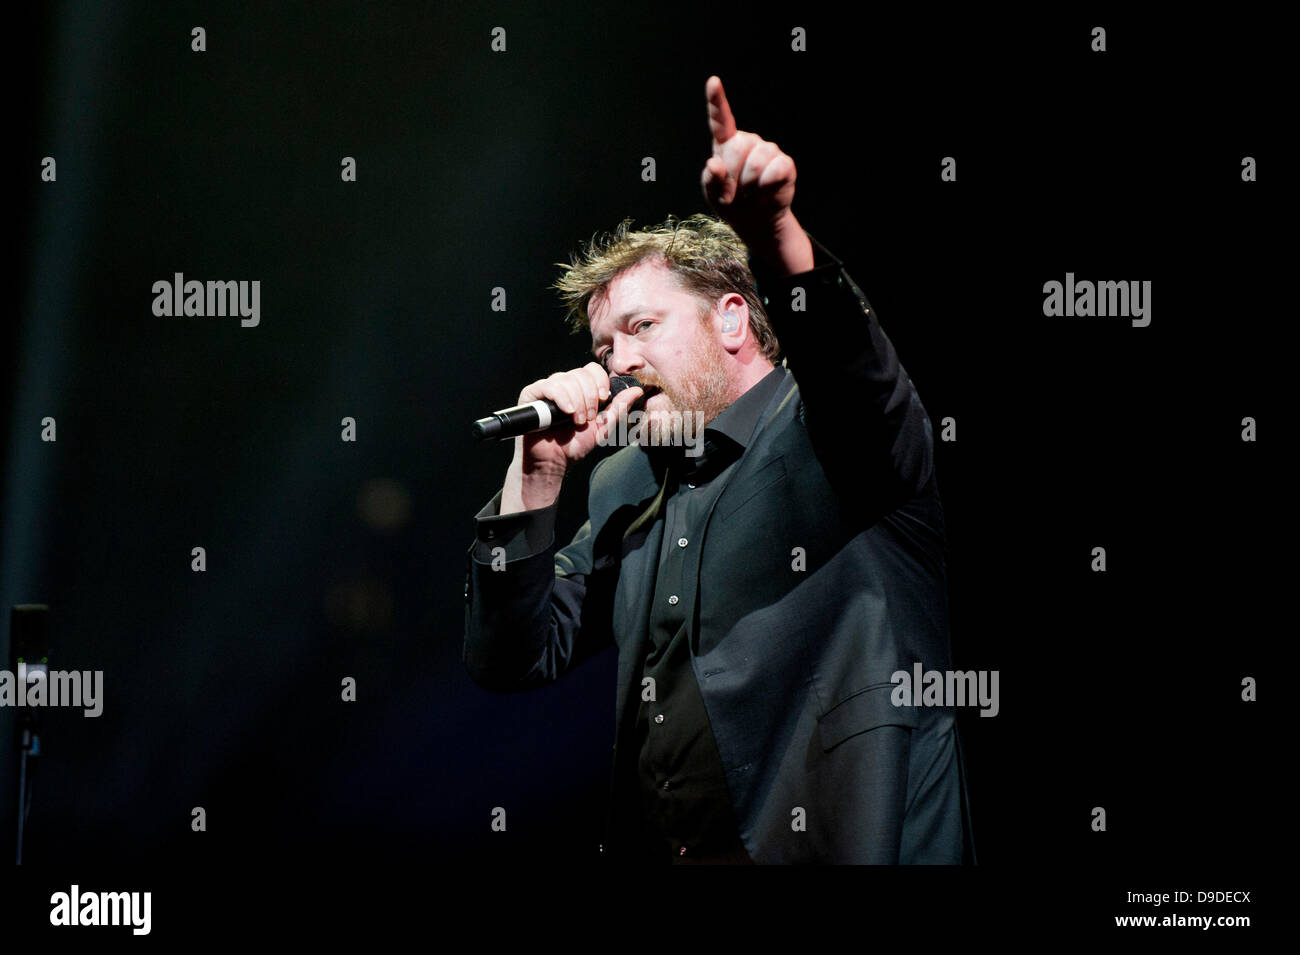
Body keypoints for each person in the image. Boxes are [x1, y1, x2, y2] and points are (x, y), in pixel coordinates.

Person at [463, 76, 972, 864]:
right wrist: (536, 477)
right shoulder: (624, 484)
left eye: (642, 326)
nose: (620, 362)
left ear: (732, 317)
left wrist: (773, 235)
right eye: (605, 349)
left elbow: (852, 368)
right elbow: (513, 656)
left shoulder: (826, 427)